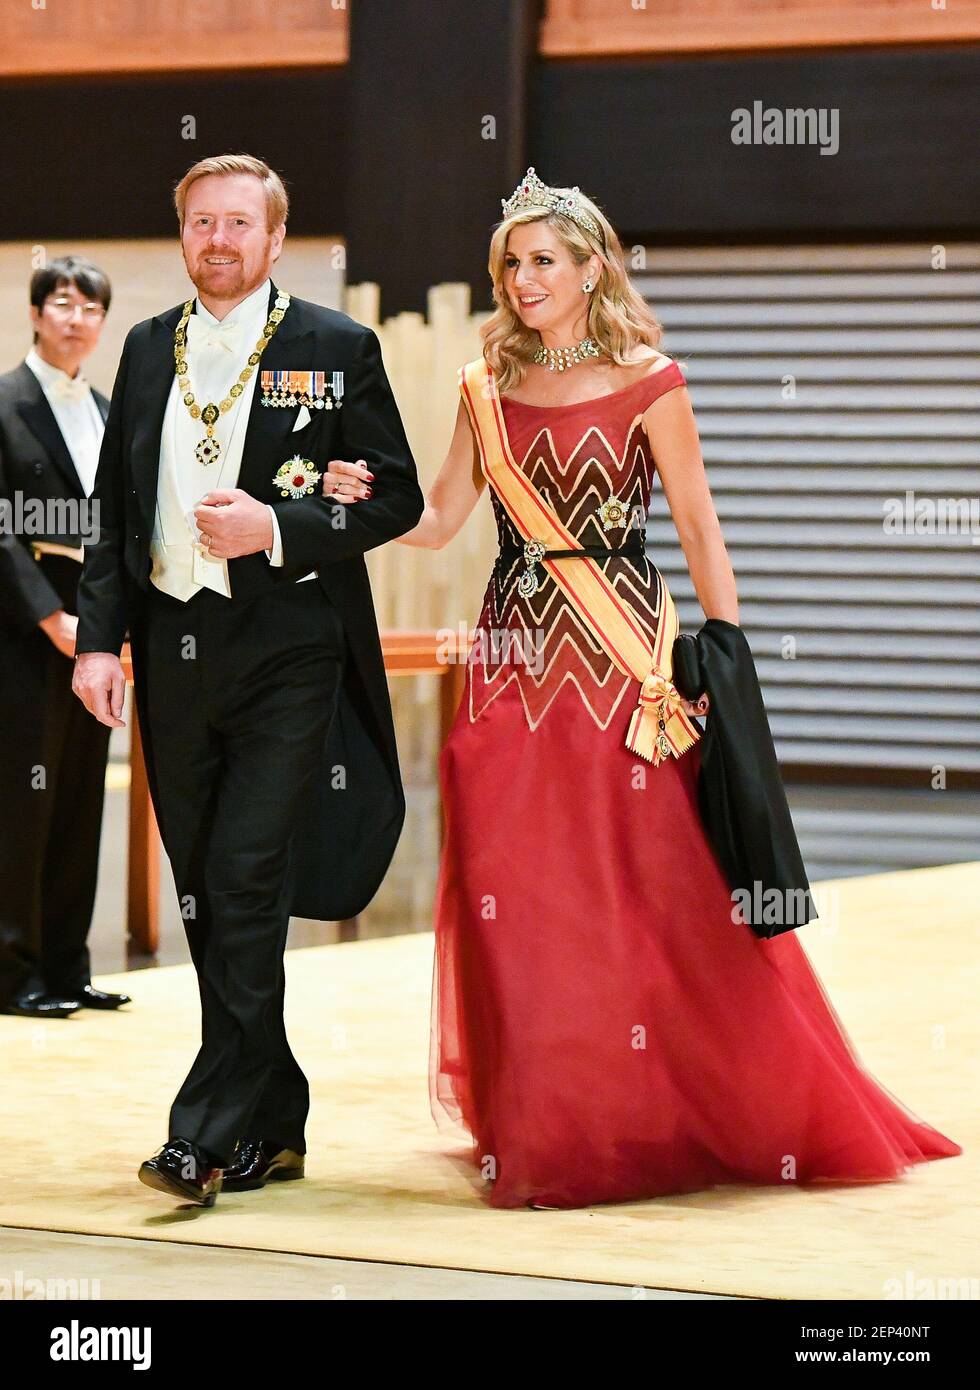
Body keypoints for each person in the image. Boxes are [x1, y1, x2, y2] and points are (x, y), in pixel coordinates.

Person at [321, 168, 962, 1209]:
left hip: (626, 667)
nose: (522, 281)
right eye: (510, 264)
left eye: (541, 262)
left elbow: (700, 524)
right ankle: (546, 1119)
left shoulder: (652, 379)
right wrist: (355, 500)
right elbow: (439, 519)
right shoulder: (482, 388)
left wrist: (728, 659)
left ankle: (663, 1108)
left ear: (589, 270)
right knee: (513, 888)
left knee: (647, 891)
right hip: (511, 663)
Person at [72, 154, 423, 1207]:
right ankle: (275, 1118)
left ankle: (203, 1134)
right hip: (174, 655)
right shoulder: (143, 350)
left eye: (238, 224)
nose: (218, 241)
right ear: (182, 236)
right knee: (205, 894)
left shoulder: (333, 346)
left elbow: (392, 495)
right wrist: (99, 641)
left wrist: (279, 523)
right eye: (200, 223)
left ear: (274, 239)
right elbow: (113, 514)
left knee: (244, 879)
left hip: (287, 650)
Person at [0, 256, 131, 1019]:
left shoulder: (110, 410)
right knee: (23, 799)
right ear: (36, 313)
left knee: (81, 794)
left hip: (97, 624)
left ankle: (66, 966)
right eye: (61, 304)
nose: (75, 318)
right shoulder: (6, 401)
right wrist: (50, 617)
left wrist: (114, 628)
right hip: (24, 628)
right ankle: (13, 973)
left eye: (89, 307)